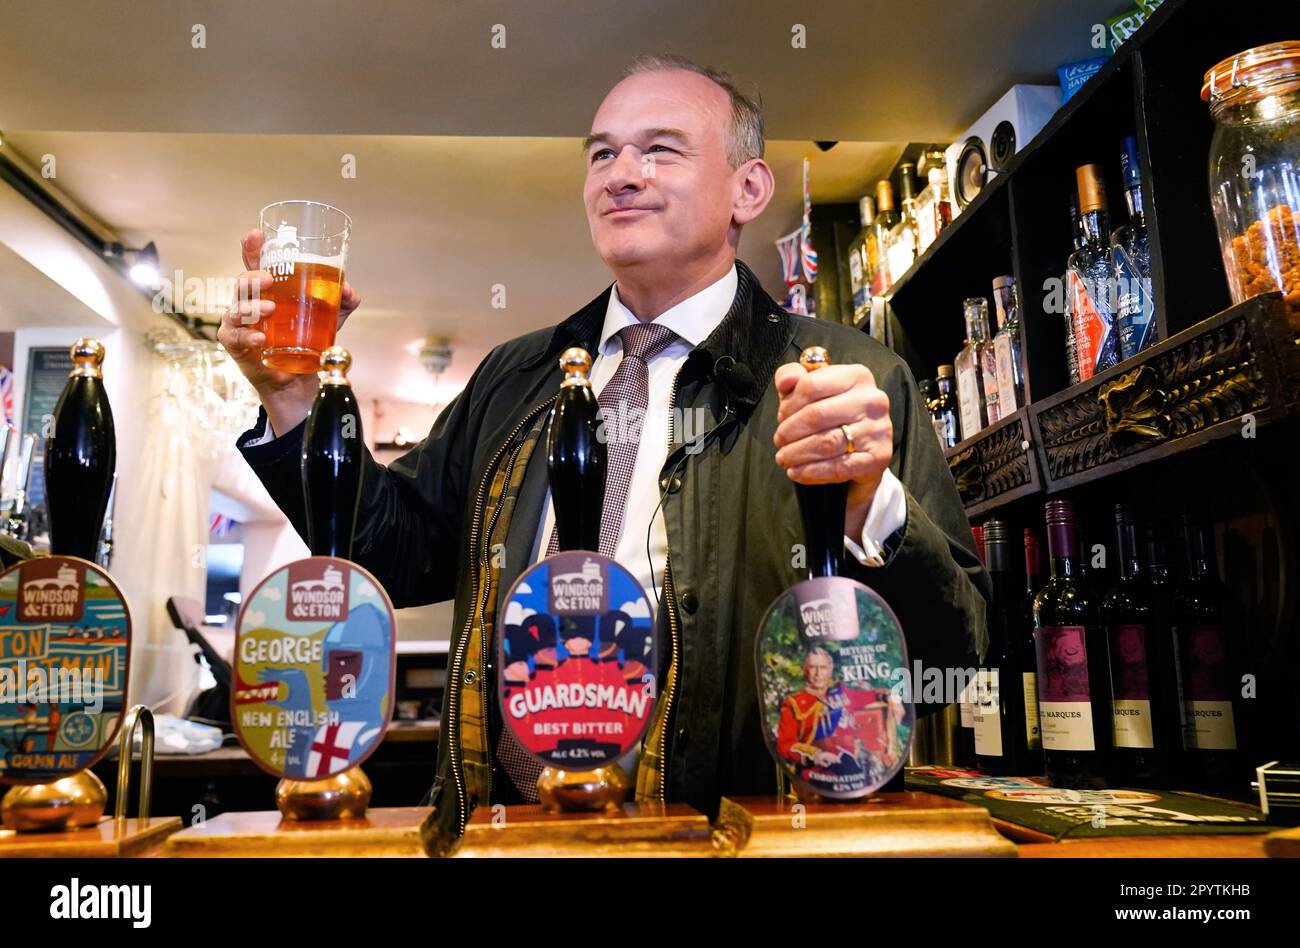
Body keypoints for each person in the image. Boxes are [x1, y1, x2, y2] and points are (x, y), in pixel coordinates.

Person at [221, 54, 989, 852]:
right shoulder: (516, 376)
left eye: (661, 149)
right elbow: (396, 552)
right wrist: (290, 395)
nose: (621, 174)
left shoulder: (845, 378)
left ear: (748, 190)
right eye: (602, 153)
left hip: (735, 839)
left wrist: (869, 501)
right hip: (507, 837)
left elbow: (952, 652)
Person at [776, 646, 903, 792]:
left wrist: (891, 698)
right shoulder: (793, 703)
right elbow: (784, 745)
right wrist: (814, 755)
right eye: (813, 667)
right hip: (817, 776)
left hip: (855, 772)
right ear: (805, 669)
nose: (818, 673)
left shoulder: (842, 693)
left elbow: (871, 695)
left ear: (830, 670)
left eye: (823, 667)